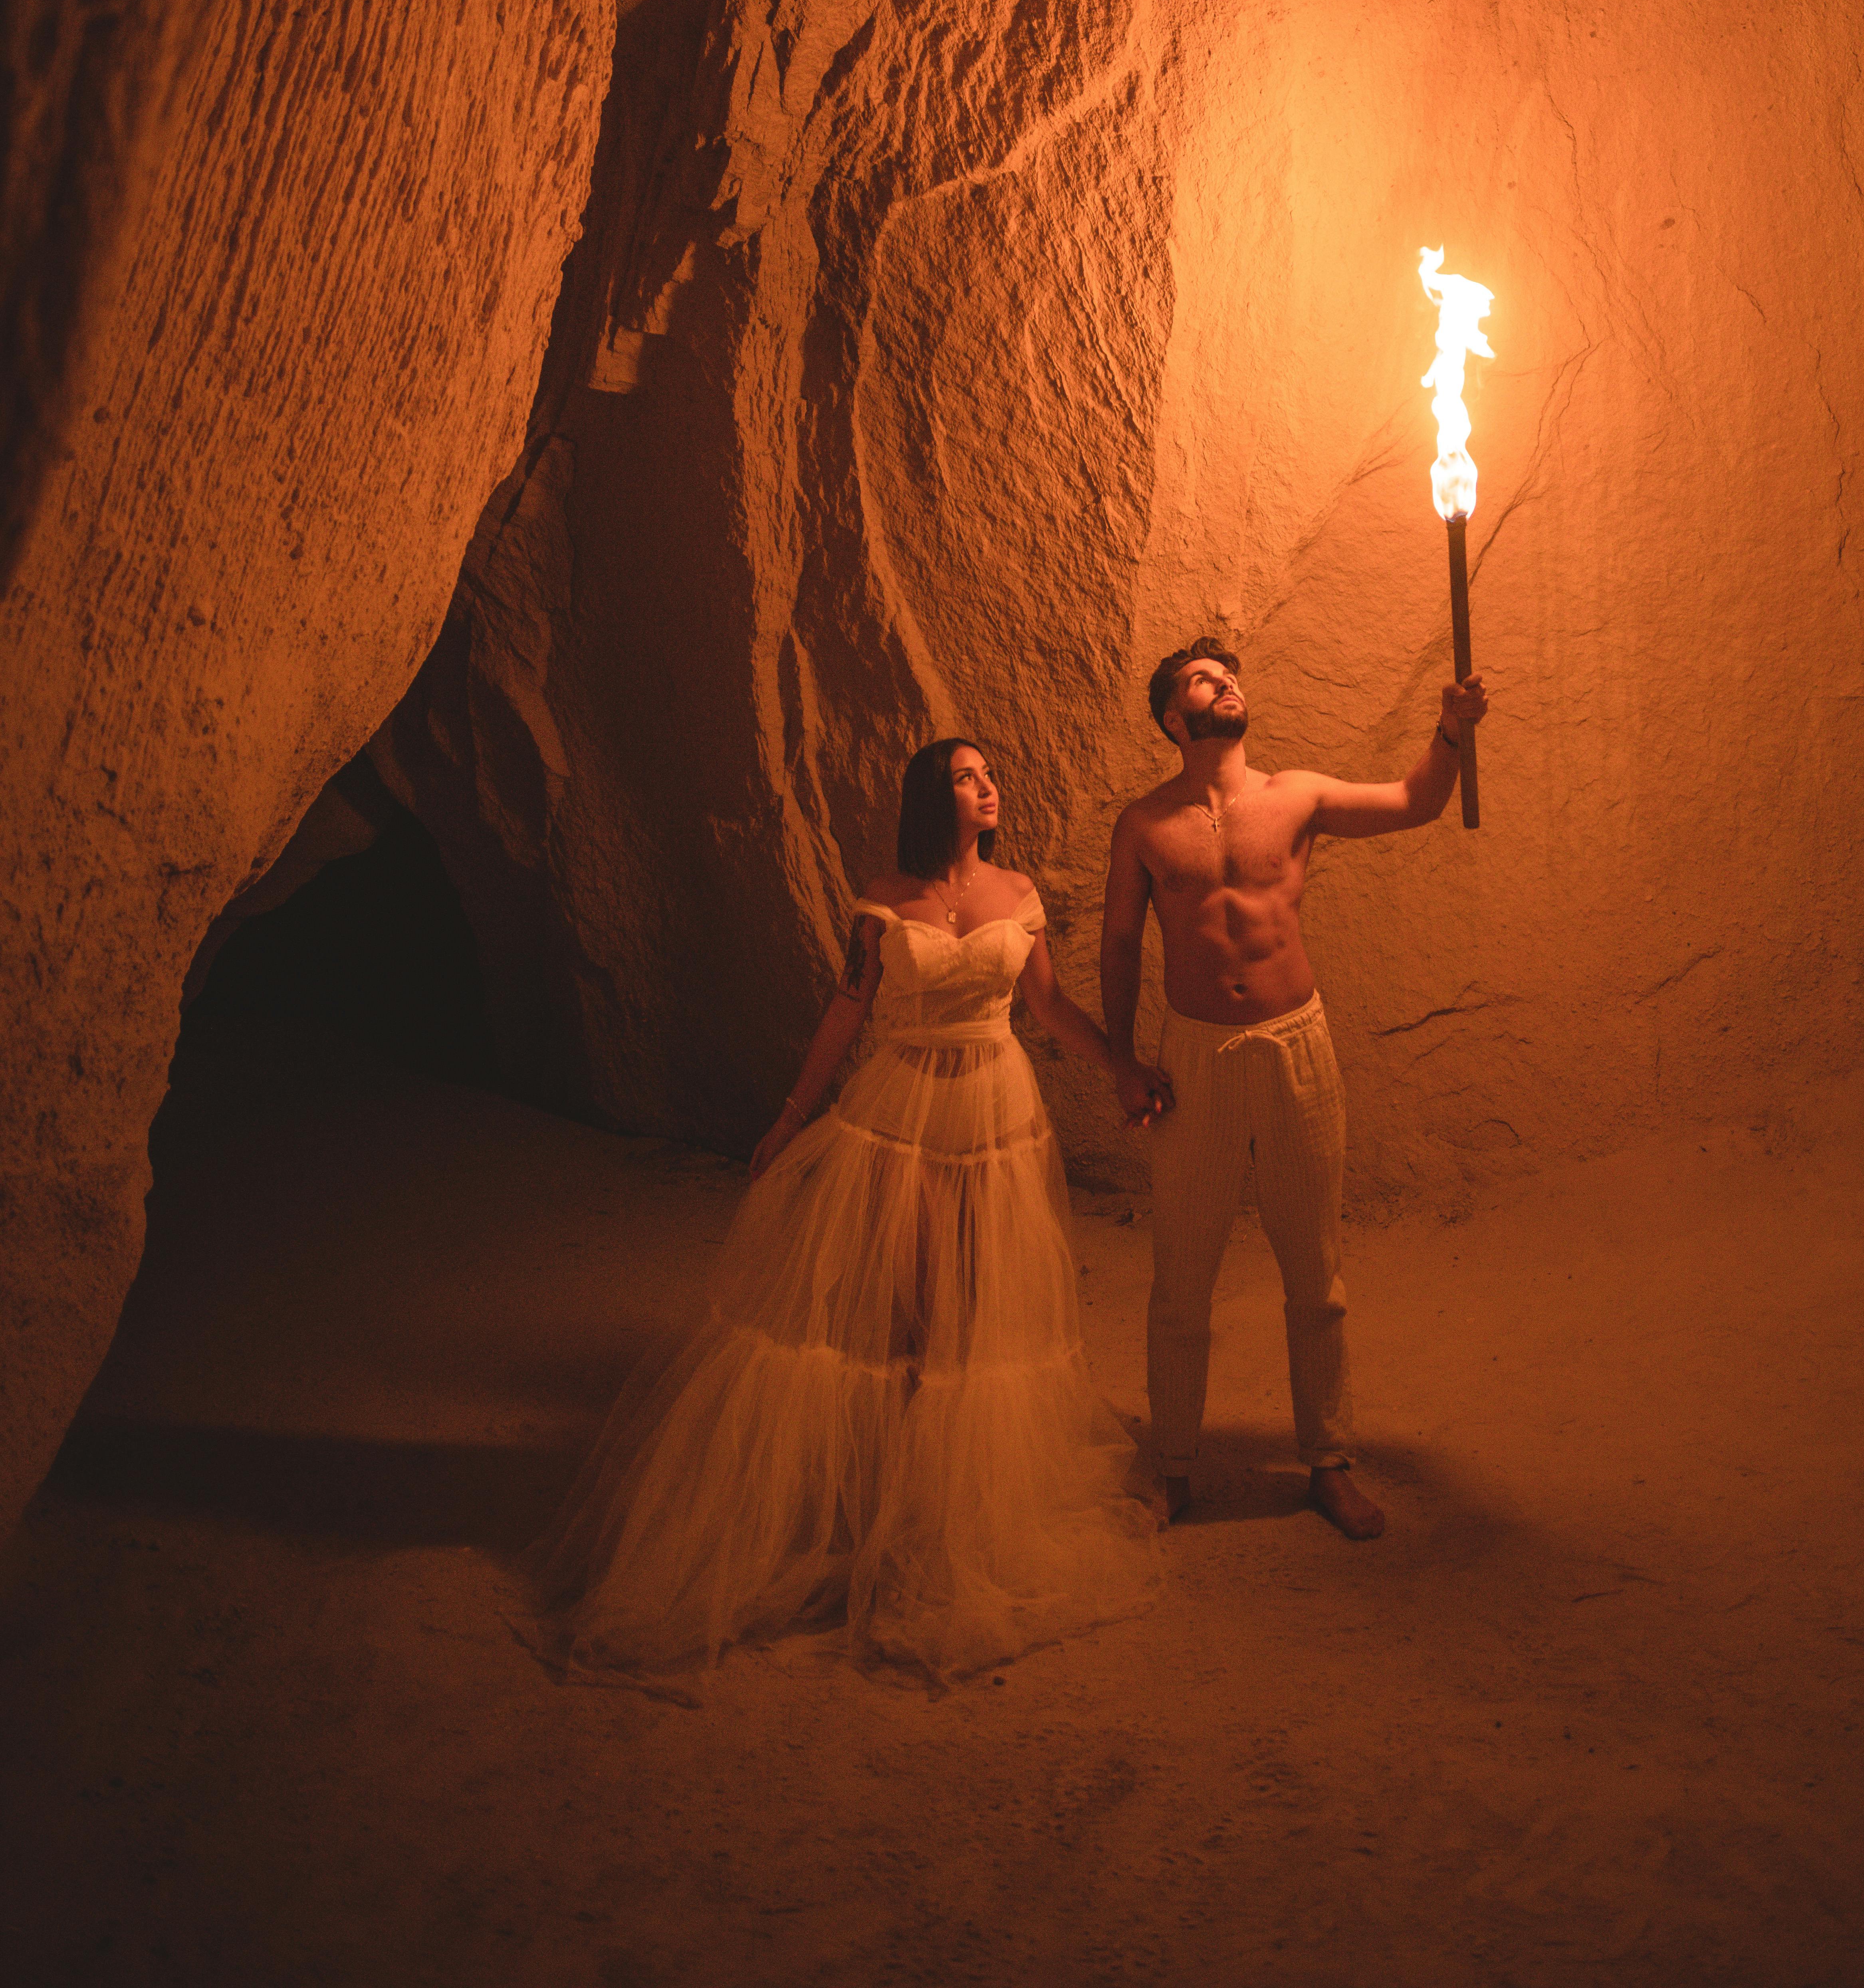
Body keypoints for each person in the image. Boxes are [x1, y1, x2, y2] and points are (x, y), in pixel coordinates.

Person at [533, 738, 1162, 1685]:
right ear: (931, 796)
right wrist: (792, 1115)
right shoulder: (884, 894)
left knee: (972, 1314)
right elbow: (846, 1006)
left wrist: (1121, 1065)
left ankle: (945, 1514)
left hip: (993, 1108)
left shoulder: (1019, 894)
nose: (988, 789)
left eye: (990, 777)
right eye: (967, 776)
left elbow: (1049, 1009)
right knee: (892, 1306)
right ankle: (870, 1504)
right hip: (897, 1106)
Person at [1101, 637, 1489, 1542]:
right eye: (1203, 679)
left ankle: (1329, 1460)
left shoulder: (1297, 795)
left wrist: (1449, 730)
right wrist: (1122, 1059)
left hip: (1293, 1045)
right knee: (1180, 1279)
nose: (1225, 682)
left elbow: (1411, 801)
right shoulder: (1144, 824)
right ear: (1172, 716)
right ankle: (1173, 1465)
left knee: (1313, 1269)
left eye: (1227, 674)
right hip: (1193, 1054)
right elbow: (1120, 944)